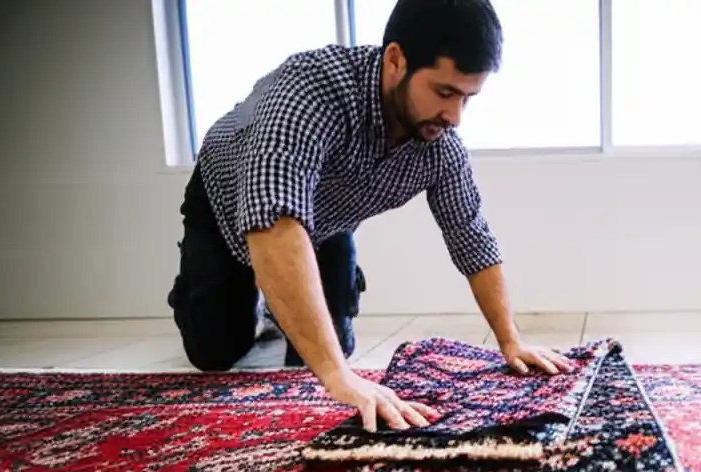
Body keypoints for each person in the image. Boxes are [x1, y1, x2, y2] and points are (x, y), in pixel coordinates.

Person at [166, 0, 573, 433]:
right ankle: (225, 295)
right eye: (444, 92)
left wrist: (510, 339)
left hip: (326, 222)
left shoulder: (439, 145)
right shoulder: (310, 89)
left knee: (330, 346)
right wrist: (338, 376)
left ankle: (286, 303)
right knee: (215, 352)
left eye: (467, 98)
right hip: (226, 201)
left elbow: (471, 235)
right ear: (396, 59)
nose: (455, 117)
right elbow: (275, 220)